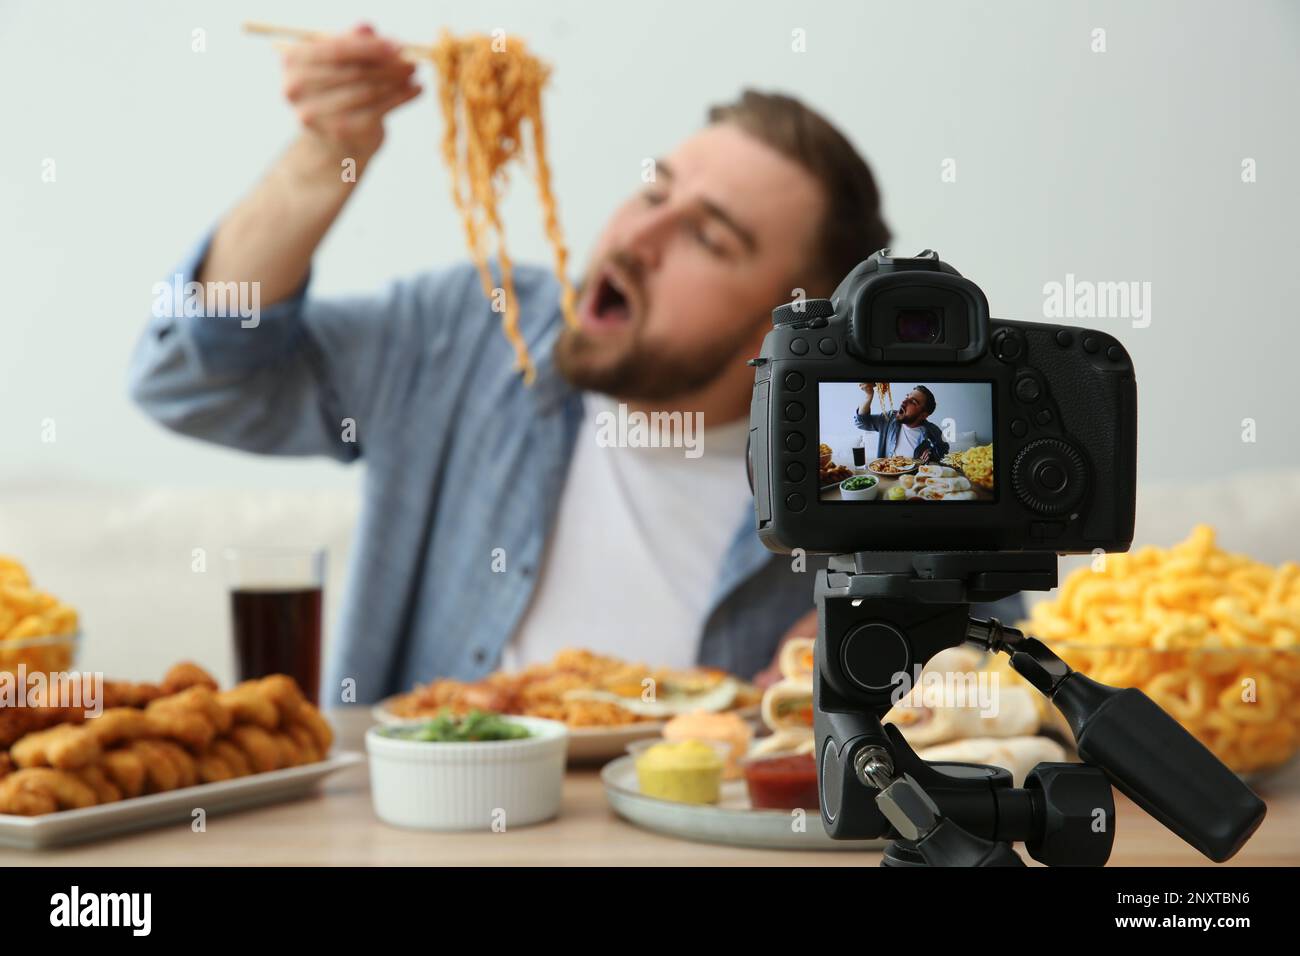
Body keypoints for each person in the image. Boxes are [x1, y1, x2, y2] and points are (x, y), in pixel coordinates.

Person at [128, 24, 1015, 702]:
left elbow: (988, 674)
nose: (639, 235)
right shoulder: (477, 331)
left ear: (787, 326)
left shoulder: (868, 453)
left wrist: (890, 661)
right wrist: (320, 160)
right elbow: (192, 381)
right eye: (656, 191)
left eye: (707, 237)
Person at [855, 383, 949, 464]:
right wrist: (869, 395)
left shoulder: (933, 430)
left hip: (914, 480)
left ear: (923, 415)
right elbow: (861, 422)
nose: (904, 401)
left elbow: (944, 450)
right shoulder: (889, 418)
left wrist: (932, 453)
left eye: (913, 402)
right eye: (907, 397)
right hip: (887, 477)